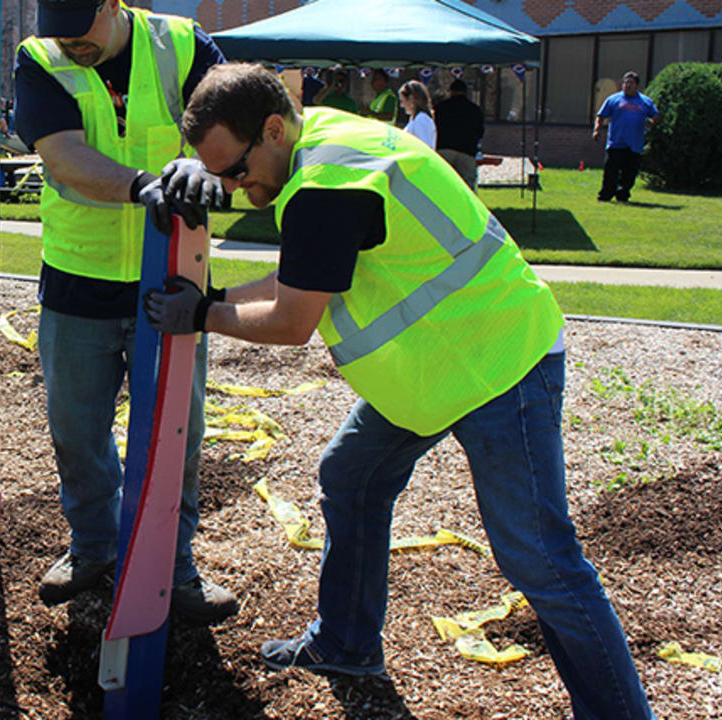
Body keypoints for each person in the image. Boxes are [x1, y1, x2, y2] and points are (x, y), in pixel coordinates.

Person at [146, 63, 658, 720]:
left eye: (237, 170)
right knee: (352, 477)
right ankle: (347, 643)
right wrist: (213, 298)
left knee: (541, 562)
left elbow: (292, 319)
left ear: (274, 128)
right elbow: (306, 274)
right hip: (439, 367)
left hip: (500, 363)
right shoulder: (321, 144)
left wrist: (203, 315)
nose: (233, 187)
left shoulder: (329, 183)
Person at [13, 0, 237, 623]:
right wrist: (144, 184)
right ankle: (93, 547)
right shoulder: (38, 59)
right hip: (77, 279)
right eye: (54, 31)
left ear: (112, 5)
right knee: (77, 432)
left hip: (172, 276)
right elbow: (61, 155)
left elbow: (236, 118)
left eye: (78, 29)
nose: (66, 44)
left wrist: (204, 162)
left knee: (177, 435)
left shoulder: (181, 46)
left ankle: (175, 568)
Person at [593, 70, 658, 203]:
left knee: (629, 174)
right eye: (625, 83)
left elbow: (655, 116)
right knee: (611, 172)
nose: (627, 85)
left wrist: (651, 123)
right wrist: (596, 129)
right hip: (616, 142)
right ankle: (605, 196)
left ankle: (622, 196)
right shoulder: (614, 99)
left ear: (637, 85)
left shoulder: (645, 102)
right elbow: (600, 116)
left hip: (635, 144)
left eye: (631, 83)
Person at [435, 78, 484, 191]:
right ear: (466, 92)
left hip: (444, 149)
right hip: (467, 151)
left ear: (451, 91)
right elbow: (480, 131)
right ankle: (467, 208)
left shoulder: (441, 108)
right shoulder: (475, 109)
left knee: (444, 183)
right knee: (467, 185)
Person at [398, 79, 436, 149]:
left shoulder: (422, 119)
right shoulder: (415, 119)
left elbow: (425, 147)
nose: (401, 105)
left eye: (402, 101)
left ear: (411, 99)